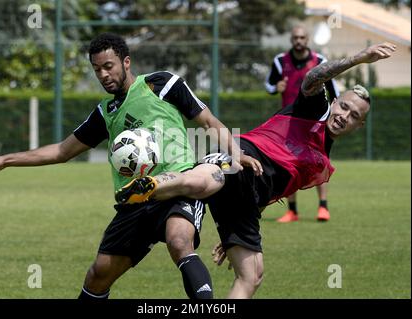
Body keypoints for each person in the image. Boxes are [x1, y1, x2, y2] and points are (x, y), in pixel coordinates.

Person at [0, 33, 260, 299]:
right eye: (97, 69)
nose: (103, 74)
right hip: (134, 199)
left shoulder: (161, 84)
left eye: (108, 66)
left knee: (179, 240)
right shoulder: (105, 113)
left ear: (126, 61)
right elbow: (61, 150)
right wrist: (4, 160)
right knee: (99, 274)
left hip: (178, 185)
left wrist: (235, 152)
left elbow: (208, 121)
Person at [117, 42, 396, 298]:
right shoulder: (314, 108)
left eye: (354, 116)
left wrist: (234, 233)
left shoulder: (321, 158)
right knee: (213, 177)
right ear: (334, 102)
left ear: (359, 126)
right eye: (344, 107)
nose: (344, 116)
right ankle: (153, 186)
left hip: (248, 199)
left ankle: (158, 186)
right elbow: (313, 78)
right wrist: (358, 59)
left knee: (251, 275)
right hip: (246, 154)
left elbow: (273, 185)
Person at [265, 25, 340, 223]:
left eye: (302, 37)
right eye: (295, 37)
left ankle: (323, 207)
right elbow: (268, 84)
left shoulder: (320, 61)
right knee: (288, 164)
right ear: (291, 39)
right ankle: (292, 211)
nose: (299, 41)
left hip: (316, 122)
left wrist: (334, 113)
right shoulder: (280, 61)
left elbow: (334, 90)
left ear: (308, 39)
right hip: (289, 123)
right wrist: (275, 88)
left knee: (319, 162)